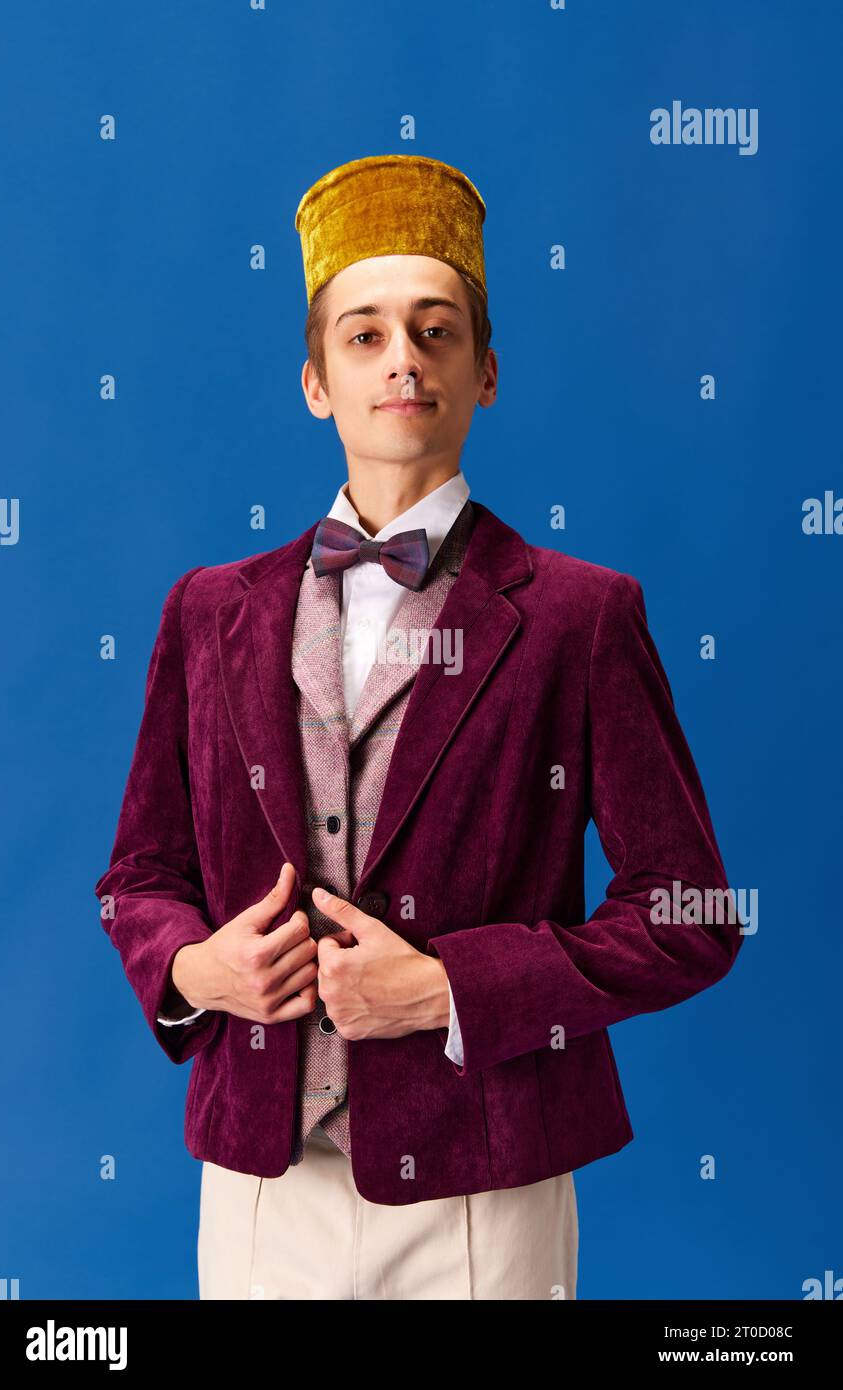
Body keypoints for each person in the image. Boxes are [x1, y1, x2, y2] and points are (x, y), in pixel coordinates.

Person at [95, 154, 743, 1300]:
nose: (402, 356)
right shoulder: (208, 612)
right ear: (315, 381)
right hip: (263, 1186)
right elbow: (142, 873)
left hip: (486, 1195)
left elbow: (690, 917)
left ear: (485, 372)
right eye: (365, 333)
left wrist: (449, 988)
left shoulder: (585, 617)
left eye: (435, 330)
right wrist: (198, 966)